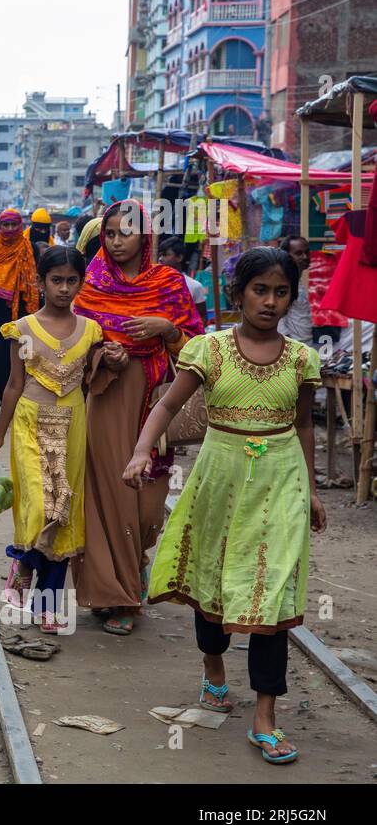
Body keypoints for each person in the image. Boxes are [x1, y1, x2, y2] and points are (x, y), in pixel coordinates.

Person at [125, 247, 324, 765]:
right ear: (238, 295)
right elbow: (168, 403)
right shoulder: (209, 350)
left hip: (280, 483)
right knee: (211, 581)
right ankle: (214, 669)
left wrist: (312, 490)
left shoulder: (303, 360)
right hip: (220, 479)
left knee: (271, 599)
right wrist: (143, 449)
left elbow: (303, 426)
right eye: (260, 290)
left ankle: (265, 717)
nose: (271, 302)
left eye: (282, 292)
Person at [73, 199, 204, 635]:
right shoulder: (92, 280)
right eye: (109, 233)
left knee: (147, 509)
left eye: (124, 233)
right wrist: (99, 352)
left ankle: (135, 564)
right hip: (106, 398)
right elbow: (71, 342)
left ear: (145, 235)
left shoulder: (169, 283)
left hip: (157, 400)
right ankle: (119, 597)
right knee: (108, 499)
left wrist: (166, 330)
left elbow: (198, 351)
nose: (115, 242)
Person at [0, 245, 106, 632]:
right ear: (40, 282)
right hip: (30, 424)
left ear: (81, 283)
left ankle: (47, 605)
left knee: (62, 513)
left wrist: (113, 360)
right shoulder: (20, 328)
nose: (64, 289)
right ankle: (20, 564)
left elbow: (94, 382)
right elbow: (13, 385)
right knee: (39, 504)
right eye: (57, 280)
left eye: (72, 281)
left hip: (70, 425)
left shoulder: (90, 332)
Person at [0, 208, 39, 412]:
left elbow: (33, 280)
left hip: (20, 310)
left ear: (20, 226)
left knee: (18, 354)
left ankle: (15, 396)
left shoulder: (28, 249)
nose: (10, 229)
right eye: (6, 225)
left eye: (14, 225)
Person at [159, 237, 208, 313]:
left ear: (179, 258)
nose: (161, 259)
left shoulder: (194, 286)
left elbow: (202, 317)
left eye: (166, 255)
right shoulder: (154, 284)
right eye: (161, 255)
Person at [281, 234, 313, 344]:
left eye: (307, 252)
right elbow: (278, 319)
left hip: (304, 344)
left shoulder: (296, 280)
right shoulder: (284, 282)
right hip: (293, 347)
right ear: (286, 256)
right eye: (299, 253)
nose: (305, 257)